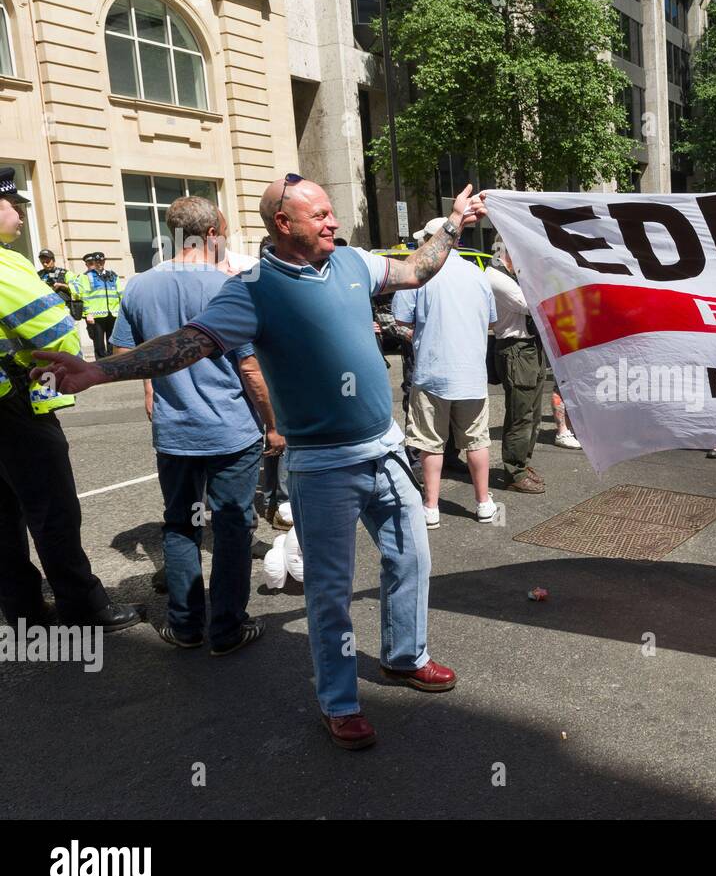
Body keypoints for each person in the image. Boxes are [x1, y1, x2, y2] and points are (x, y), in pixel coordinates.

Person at [35, 175, 484, 750]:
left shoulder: (352, 263)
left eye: (330, 211)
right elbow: (186, 343)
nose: (332, 222)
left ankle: (405, 656)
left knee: (410, 557)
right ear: (283, 224)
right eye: (319, 215)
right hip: (323, 466)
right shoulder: (251, 291)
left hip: (385, 447)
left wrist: (452, 223)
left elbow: (416, 269)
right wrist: (99, 370)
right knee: (329, 590)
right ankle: (340, 703)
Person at [111, 196, 284, 654]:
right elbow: (251, 371)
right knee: (231, 526)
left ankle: (186, 626)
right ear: (211, 234)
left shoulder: (139, 286)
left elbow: (126, 358)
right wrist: (272, 425)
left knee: (180, 524)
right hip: (231, 429)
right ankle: (226, 629)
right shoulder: (233, 286)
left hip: (176, 431)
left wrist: (155, 391)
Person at [0, 166, 141, 632]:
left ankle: (21, 607)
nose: (21, 215)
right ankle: (84, 609)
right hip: (15, 407)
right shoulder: (4, 264)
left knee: (3, 516)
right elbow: (55, 333)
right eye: (13, 206)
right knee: (52, 509)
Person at [392, 232, 497, 527]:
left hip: (431, 373)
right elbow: (491, 321)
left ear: (431, 240)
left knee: (430, 443)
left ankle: (431, 507)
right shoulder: (476, 275)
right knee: (477, 440)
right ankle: (484, 503)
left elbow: (401, 320)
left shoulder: (418, 273)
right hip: (471, 373)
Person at [486, 240, 546, 493]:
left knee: (533, 413)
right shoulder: (496, 276)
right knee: (520, 415)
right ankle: (514, 471)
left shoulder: (515, 273)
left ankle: (522, 462)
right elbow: (530, 305)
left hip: (531, 347)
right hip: (516, 348)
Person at [72, 251, 123, 359]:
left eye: (101, 261)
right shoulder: (85, 277)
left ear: (104, 261)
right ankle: (100, 369)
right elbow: (82, 296)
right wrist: (88, 314)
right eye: (97, 261)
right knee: (99, 345)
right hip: (95, 316)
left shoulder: (112, 275)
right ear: (93, 262)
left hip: (113, 314)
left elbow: (121, 293)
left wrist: (122, 312)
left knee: (112, 343)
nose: (99, 263)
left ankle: (112, 367)